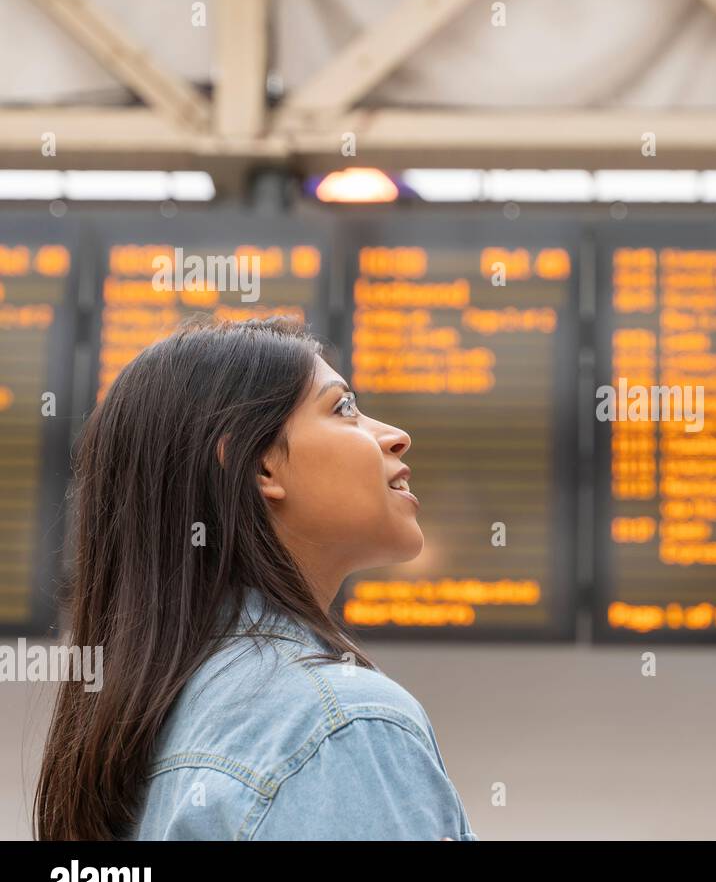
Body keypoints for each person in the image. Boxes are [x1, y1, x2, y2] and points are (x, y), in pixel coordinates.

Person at [35, 316, 475, 840]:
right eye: (344, 408)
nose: (397, 437)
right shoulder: (338, 725)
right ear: (259, 467)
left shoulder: (140, 734)